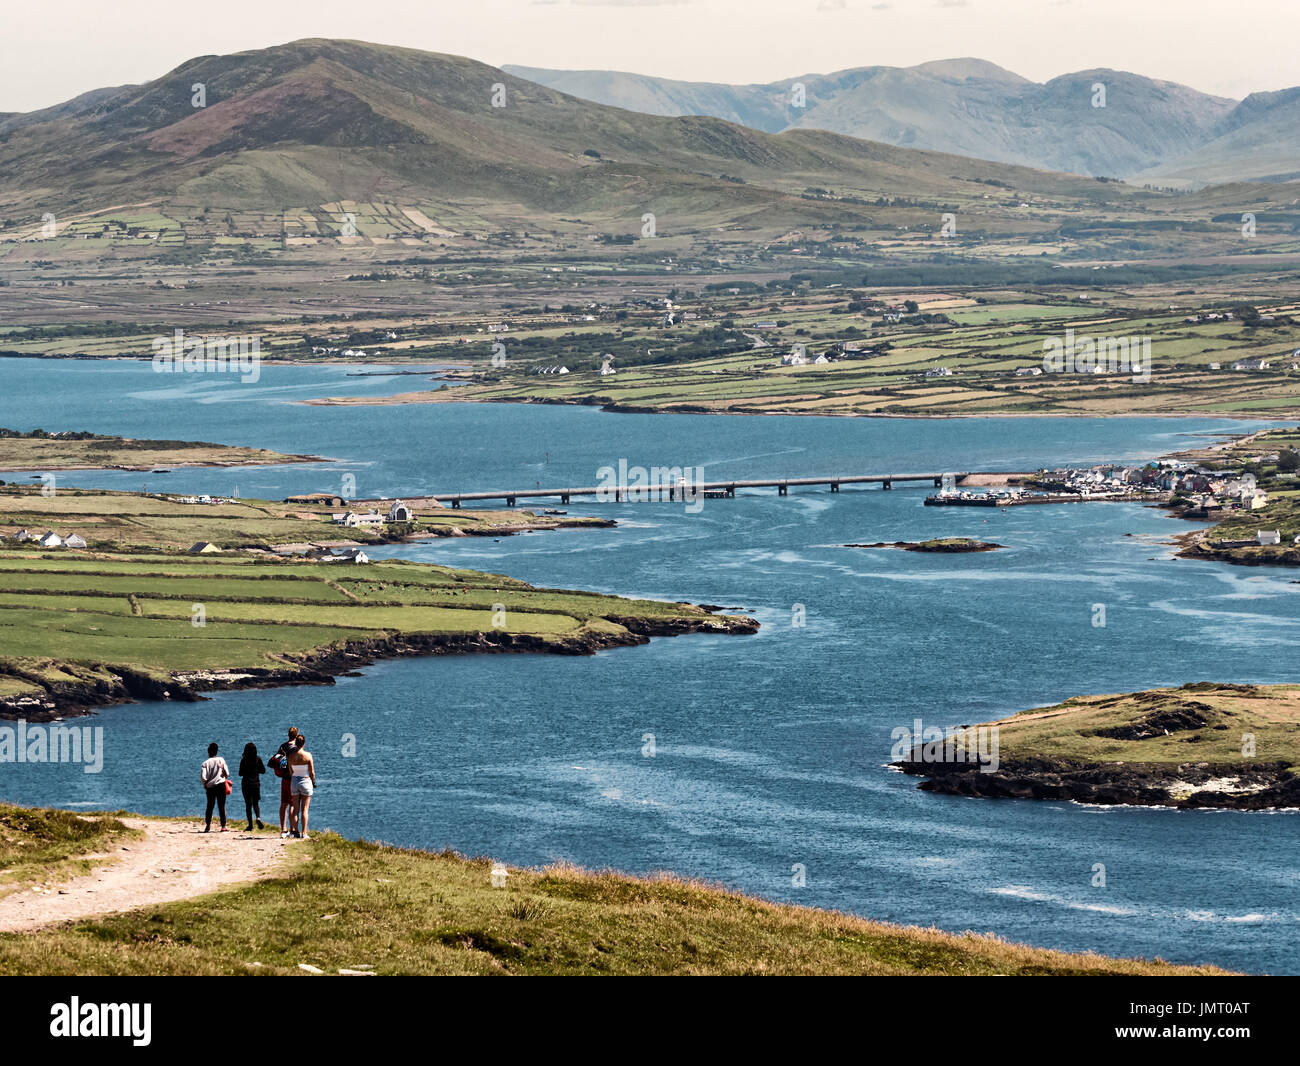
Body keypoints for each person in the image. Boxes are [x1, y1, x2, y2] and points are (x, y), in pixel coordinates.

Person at [271, 727, 299, 838]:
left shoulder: (283, 746)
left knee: (283, 804)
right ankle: (292, 829)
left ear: (288, 735)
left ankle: (283, 829)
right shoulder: (296, 748)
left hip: (284, 779)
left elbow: (277, 760)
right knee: (292, 804)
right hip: (293, 778)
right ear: (296, 735)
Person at [288, 734, 317, 840]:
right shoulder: (308, 755)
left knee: (295, 809)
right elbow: (312, 772)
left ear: (295, 743)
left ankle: (295, 831)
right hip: (305, 780)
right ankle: (304, 833)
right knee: (304, 809)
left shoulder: (290, 756)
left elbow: (290, 771)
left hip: (294, 780)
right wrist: (313, 781)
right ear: (304, 743)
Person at [199, 742, 231, 833]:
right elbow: (227, 773)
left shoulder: (205, 763)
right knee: (221, 806)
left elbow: (203, 777)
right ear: (216, 751)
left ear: (208, 752)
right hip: (221, 785)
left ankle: (208, 826)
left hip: (210, 787)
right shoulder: (221, 760)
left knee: (210, 806)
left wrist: (205, 784)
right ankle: (223, 826)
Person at [238, 742, 266, 831]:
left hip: (246, 784)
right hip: (256, 784)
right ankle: (258, 817)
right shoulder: (258, 759)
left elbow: (240, 773)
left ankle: (250, 825)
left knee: (248, 804)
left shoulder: (244, 760)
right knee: (255, 803)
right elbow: (263, 771)